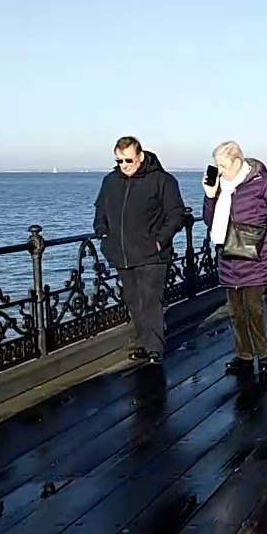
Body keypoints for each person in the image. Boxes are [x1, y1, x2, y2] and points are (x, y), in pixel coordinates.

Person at [202, 140, 267, 378]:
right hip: (228, 251)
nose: (219, 170)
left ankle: (263, 356)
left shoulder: (263, 183)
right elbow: (210, 221)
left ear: (237, 161)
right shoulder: (220, 185)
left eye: (222, 165)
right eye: (217, 165)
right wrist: (210, 197)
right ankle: (244, 355)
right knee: (235, 310)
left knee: (254, 307)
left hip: (257, 253)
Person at [94, 136, 187, 365]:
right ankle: (141, 343)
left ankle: (154, 348)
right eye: (119, 161)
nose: (124, 165)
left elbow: (176, 215)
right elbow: (100, 211)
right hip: (121, 252)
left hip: (152, 254)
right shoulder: (110, 181)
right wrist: (103, 234)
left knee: (150, 300)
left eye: (128, 160)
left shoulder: (162, 181)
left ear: (140, 156)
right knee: (133, 300)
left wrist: (159, 241)